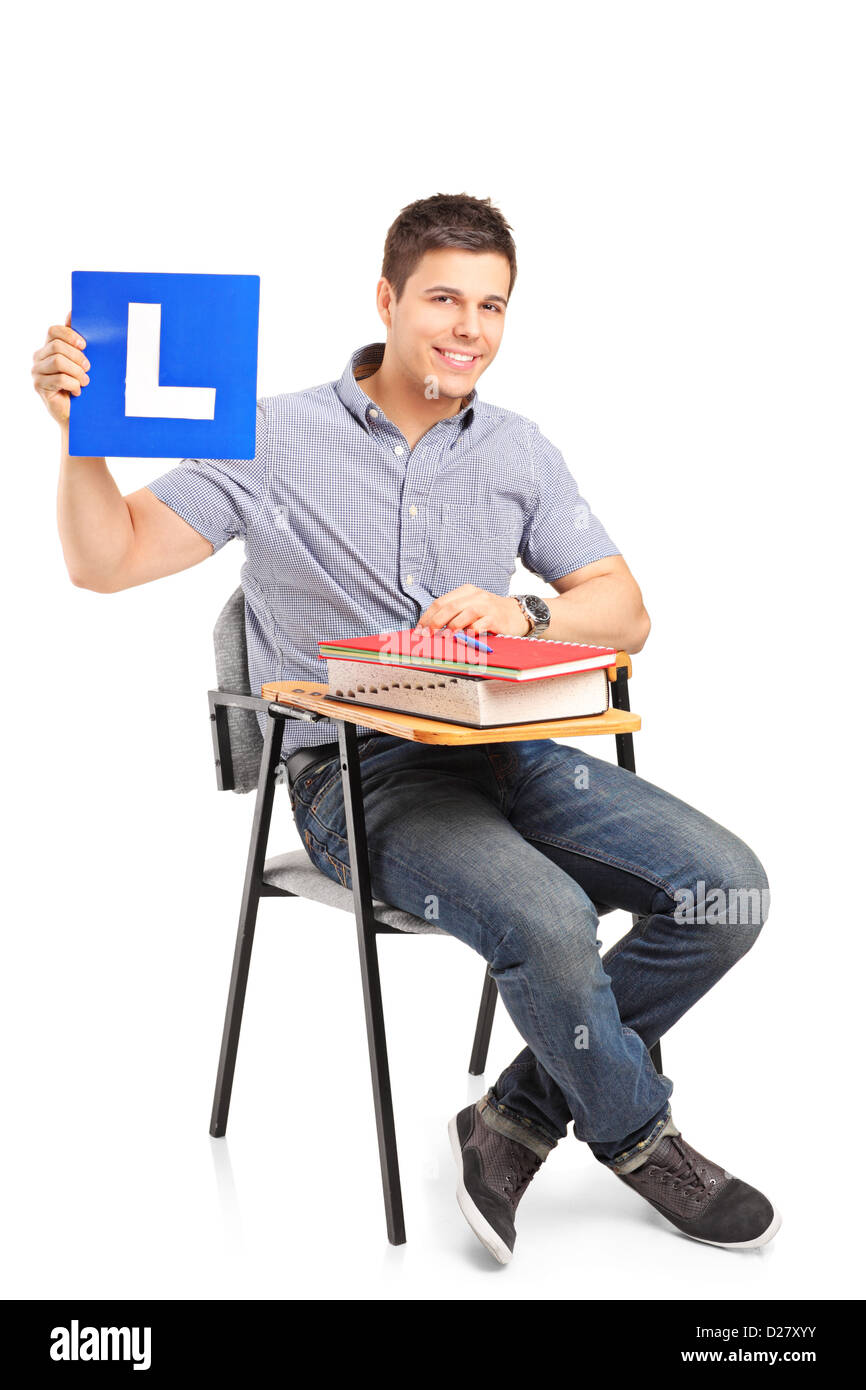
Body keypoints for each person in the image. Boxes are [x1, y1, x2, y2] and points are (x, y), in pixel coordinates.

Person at [33, 192, 779, 1263]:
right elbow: (106, 561)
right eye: (441, 297)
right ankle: (636, 1131)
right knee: (551, 917)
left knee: (726, 889)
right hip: (360, 779)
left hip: (508, 753)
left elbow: (625, 610)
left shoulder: (518, 449)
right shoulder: (268, 433)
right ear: (385, 299)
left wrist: (524, 609)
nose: (467, 327)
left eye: (491, 305)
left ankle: (515, 1112)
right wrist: (80, 444)